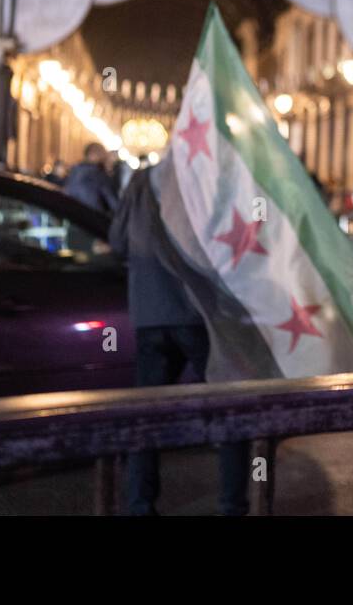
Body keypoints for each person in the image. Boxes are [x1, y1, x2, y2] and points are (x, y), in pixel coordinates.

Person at [109, 164, 251, 516]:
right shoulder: (209, 177)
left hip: (151, 312)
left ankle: (141, 504)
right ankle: (232, 504)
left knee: (146, 417)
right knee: (228, 407)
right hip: (199, 314)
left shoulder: (142, 181)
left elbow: (117, 241)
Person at [64, 142, 120, 215]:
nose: (104, 158)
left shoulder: (74, 171)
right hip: (92, 219)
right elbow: (114, 204)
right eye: (103, 154)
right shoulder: (99, 175)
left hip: (72, 217)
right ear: (95, 154)